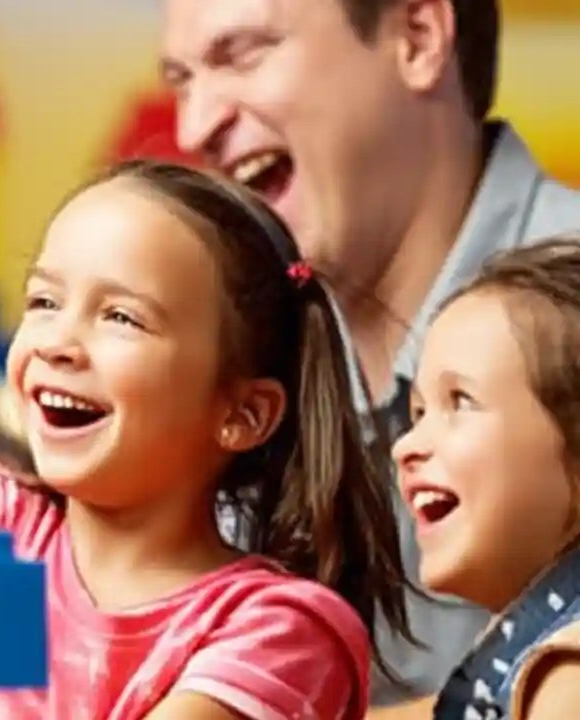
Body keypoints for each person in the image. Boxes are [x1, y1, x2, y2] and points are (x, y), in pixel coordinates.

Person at [0, 159, 412, 719]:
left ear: (245, 413)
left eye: (122, 317)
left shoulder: (279, 630)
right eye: (44, 302)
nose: (58, 342)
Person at [156, 0, 580, 709]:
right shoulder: (239, 368)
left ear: (417, 37)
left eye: (242, 54)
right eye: (182, 81)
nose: (193, 127)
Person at [392, 236, 580, 718]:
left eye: (460, 401)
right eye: (417, 412)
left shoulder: (567, 674)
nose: (405, 446)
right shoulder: (523, 650)